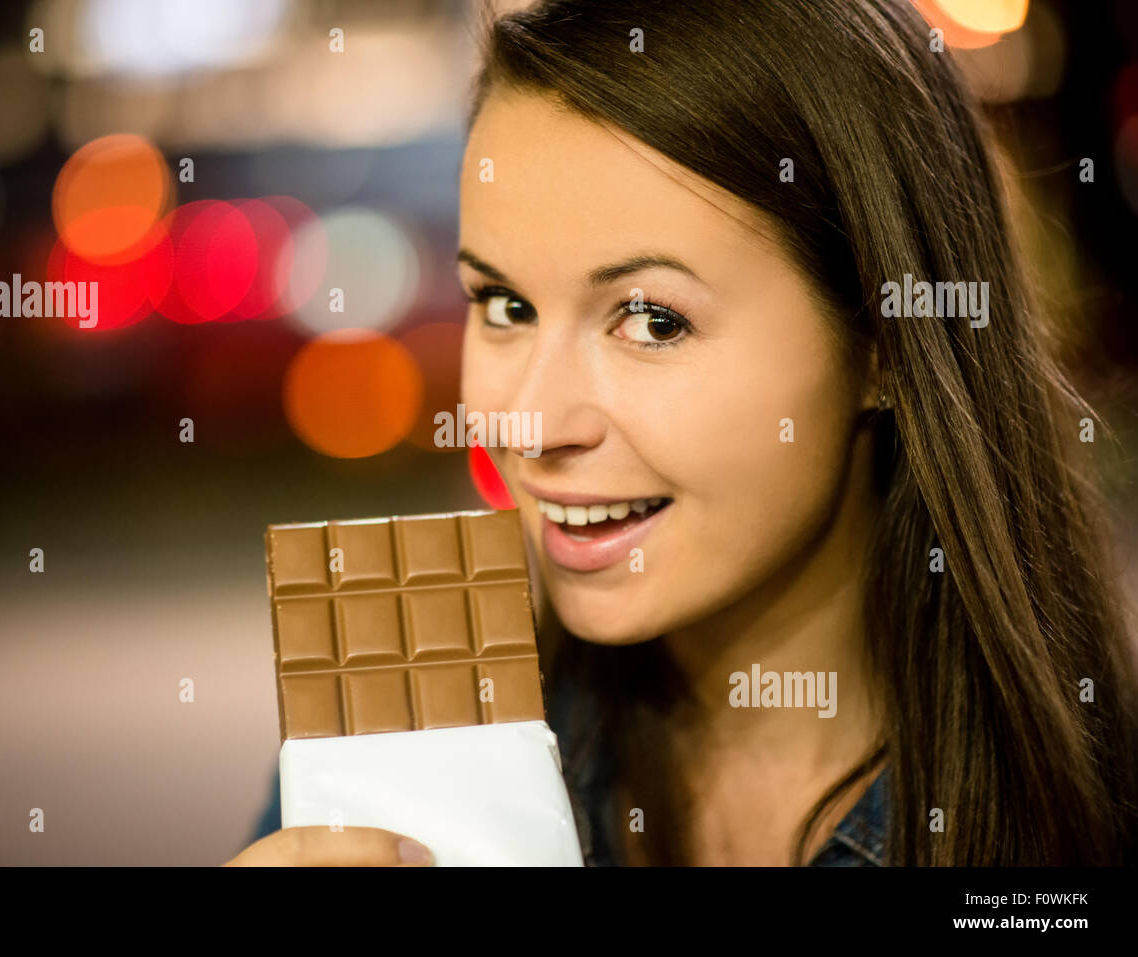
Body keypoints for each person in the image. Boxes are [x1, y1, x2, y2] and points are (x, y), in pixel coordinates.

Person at [226, 0, 1138, 866]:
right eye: (503, 304)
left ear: (885, 346)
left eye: (653, 320)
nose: (532, 424)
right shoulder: (390, 767)